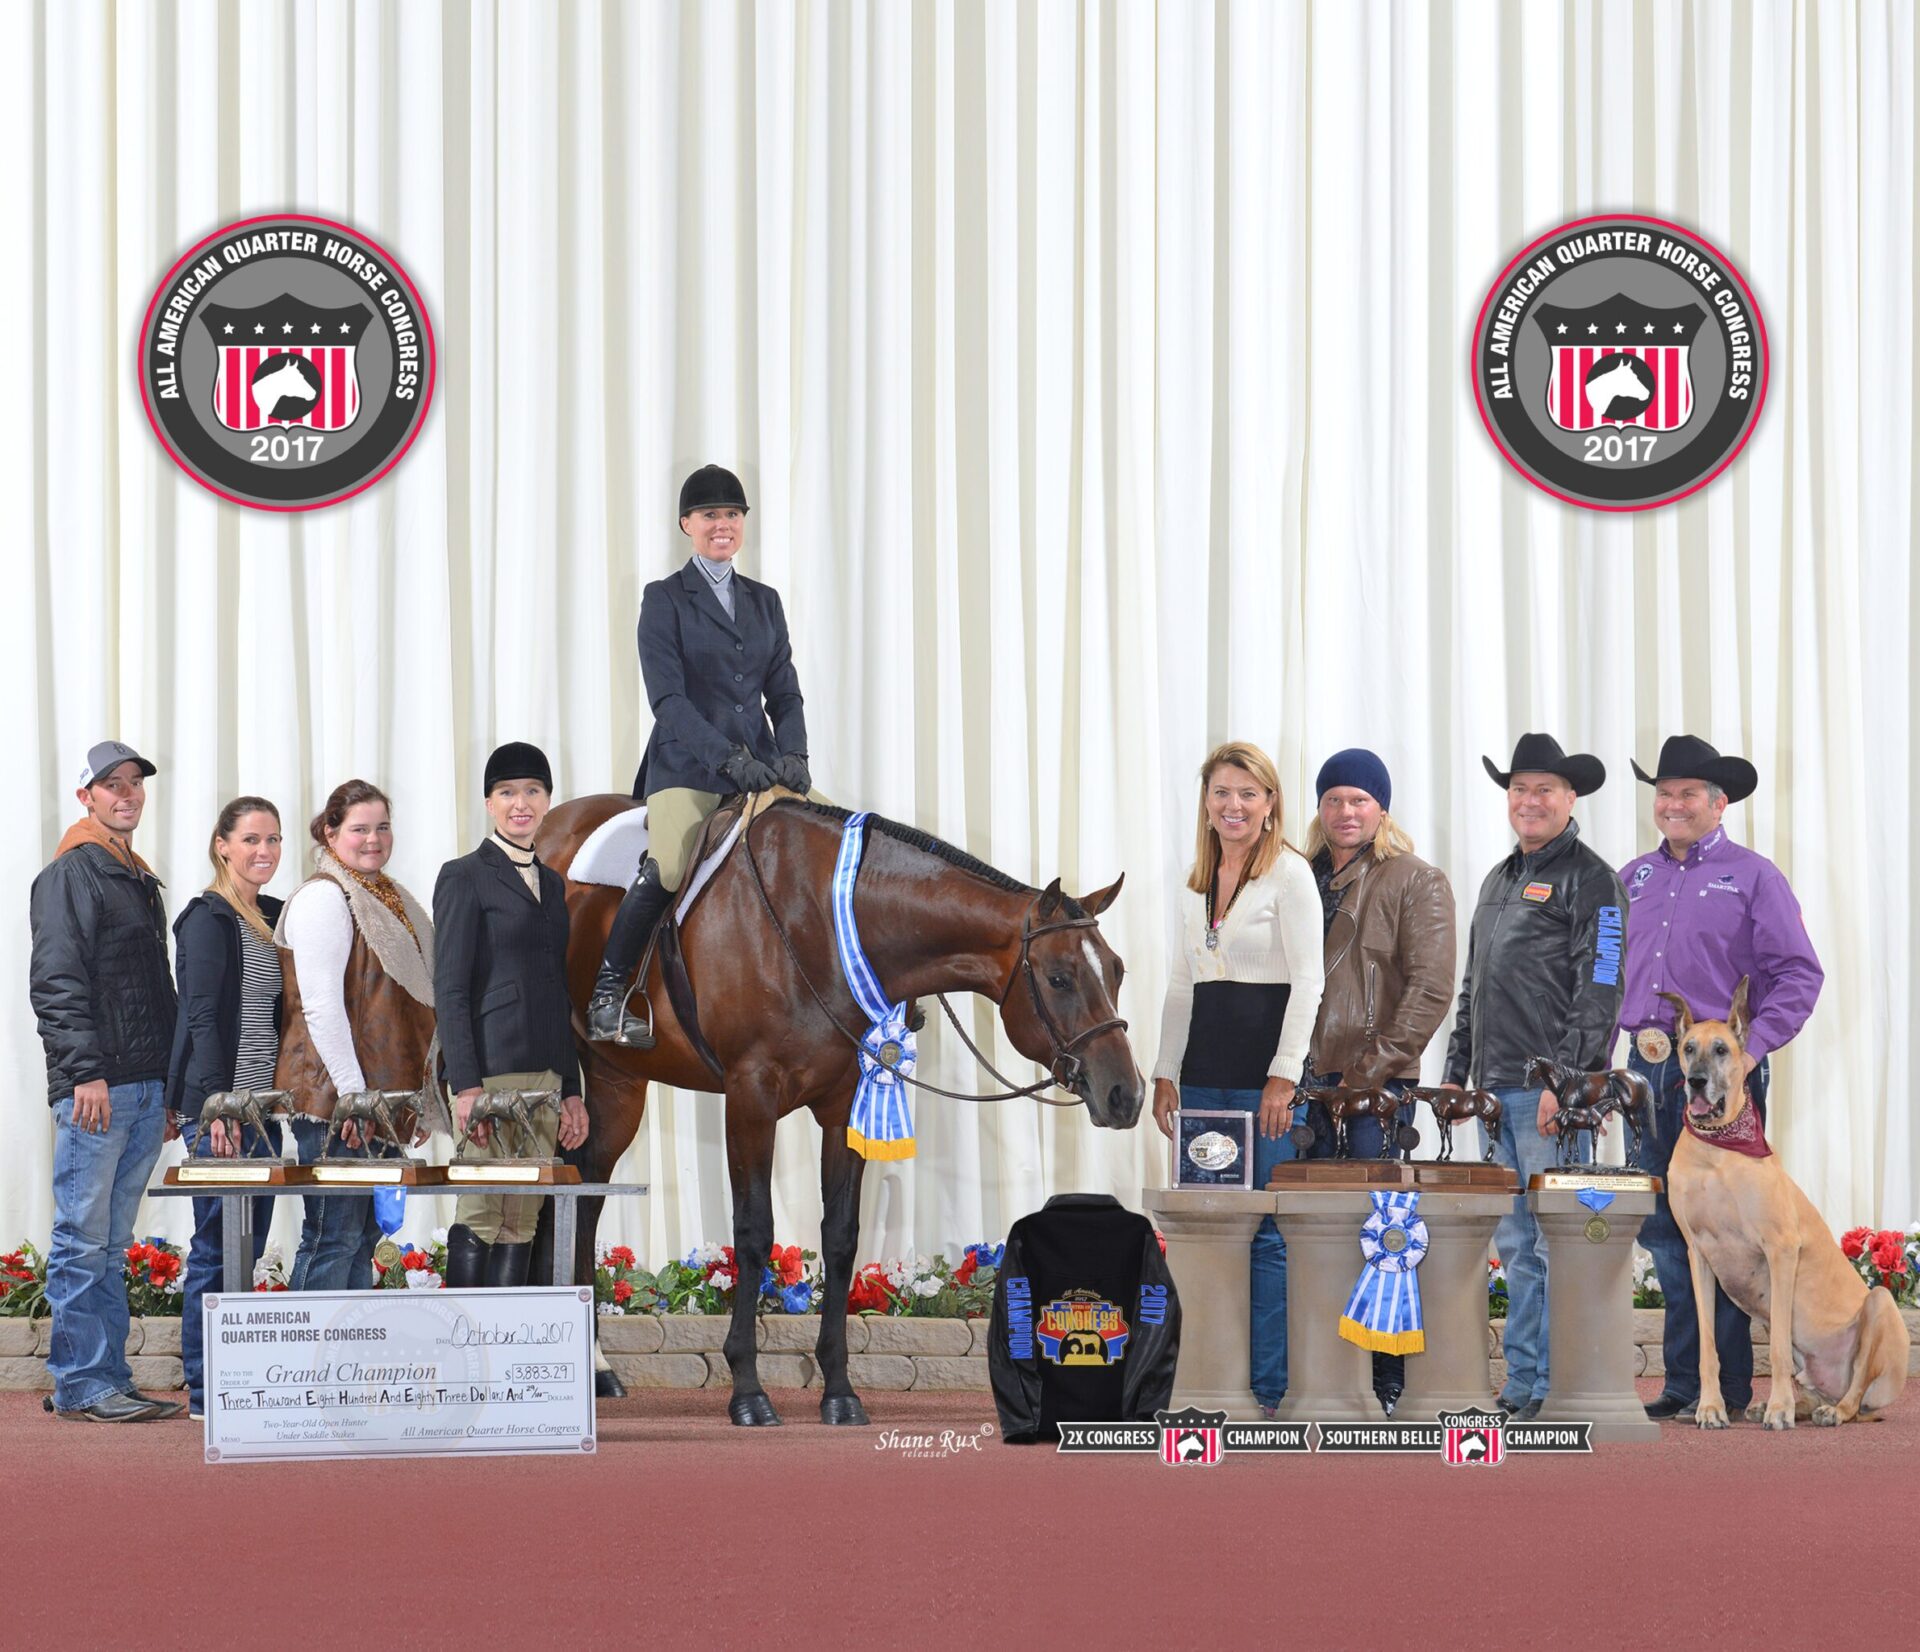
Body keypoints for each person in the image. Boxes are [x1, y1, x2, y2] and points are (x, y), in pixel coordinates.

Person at [1619, 735, 1824, 1422]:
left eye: (1686, 795)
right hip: (1647, 1067)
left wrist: (1755, 1047)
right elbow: (1600, 970)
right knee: (1665, 1227)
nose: (1672, 805)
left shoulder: (1753, 876)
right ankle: (1690, 1379)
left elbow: (1799, 972)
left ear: (1718, 803)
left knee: (1737, 1230)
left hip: (1721, 1071)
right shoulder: (1633, 879)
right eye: (1664, 794)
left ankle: (1730, 1383)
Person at [587, 464, 815, 1045]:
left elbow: (784, 692)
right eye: (711, 514)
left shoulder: (765, 602)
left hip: (762, 768)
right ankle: (609, 994)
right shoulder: (663, 598)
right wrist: (727, 760)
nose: (723, 524)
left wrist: (794, 754)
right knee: (667, 864)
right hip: (688, 767)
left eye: (732, 514)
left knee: (836, 840)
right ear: (687, 524)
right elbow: (669, 701)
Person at [1443, 733, 1627, 1421]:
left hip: (1549, 1096)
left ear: (1570, 797)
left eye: (1544, 788)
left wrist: (1569, 1081)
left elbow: (1602, 984)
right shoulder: (1498, 878)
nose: (1530, 800)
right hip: (1493, 1097)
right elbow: (1474, 988)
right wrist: (1459, 1075)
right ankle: (1524, 1385)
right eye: (1520, 788)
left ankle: (1552, 1386)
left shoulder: (1594, 879)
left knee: (1549, 1246)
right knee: (1516, 1247)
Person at [1151, 740, 1325, 1416]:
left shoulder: (1290, 874)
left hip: (1263, 1084)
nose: (1234, 805)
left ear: (1270, 803)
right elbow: (1179, 984)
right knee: (1208, 1231)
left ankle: (1270, 1389)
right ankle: (1210, 1380)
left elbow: (1309, 980)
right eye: (1222, 792)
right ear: (1206, 801)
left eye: (1248, 794)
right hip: (1202, 1082)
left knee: (1268, 1236)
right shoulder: (1194, 878)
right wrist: (1166, 1072)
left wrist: (1284, 1075)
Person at [28, 740, 182, 1421]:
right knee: (83, 1239)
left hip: (144, 1087)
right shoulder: (71, 874)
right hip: (101, 1088)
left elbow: (157, 990)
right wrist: (83, 1072)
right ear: (86, 797)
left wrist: (171, 1086)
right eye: (111, 785)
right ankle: (85, 1385)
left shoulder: (134, 876)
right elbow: (56, 982)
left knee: (108, 1244)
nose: (127, 794)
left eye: (135, 784)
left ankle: (105, 1380)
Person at [1300, 748, 1455, 1415]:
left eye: (1359, 799)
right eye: (1333, 798)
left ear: (1382, 808)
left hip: (1371, 1090)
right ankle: (1316, 1375)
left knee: (1385, 1238)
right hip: (1300, 1084)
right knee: (1306, 1236)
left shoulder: (1414, 880)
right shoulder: (1294, 878)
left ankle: (1389, 1380)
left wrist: (1372, 1069)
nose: (1345, 811)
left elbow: (1430, 988)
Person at [433, 743, 590, 1286]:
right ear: (488, 802)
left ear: (547, 800)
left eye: (532, 791)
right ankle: (461, 1355)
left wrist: (571, 1088)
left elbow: (557, 993)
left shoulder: (551, 884)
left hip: (545, 1075)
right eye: (507, 792)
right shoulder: (463, 875)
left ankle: (500, 1355)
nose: (520, 803)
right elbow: (449, 988)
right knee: (482, 1211)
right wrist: (466, 1086)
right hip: (492, 1073)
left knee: (523, 1216)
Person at [276, 780, 436, 1292]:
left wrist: (416, 1100)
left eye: (382, 827)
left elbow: (402, 1015)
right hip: (336, 1104)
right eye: (359, 829)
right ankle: (304, 1366)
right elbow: (320, 1006)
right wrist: (354, 1099)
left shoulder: (387, 898)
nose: (373, 839)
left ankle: (341, 1367)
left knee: (363, 1238)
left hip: (378, 1103)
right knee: (331, 1237)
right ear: (330, 833)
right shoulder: (325, 897)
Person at [166, 797, 286, 1419]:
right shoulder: (207, 918)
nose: (263, 851)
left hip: (265, 1110)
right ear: (222, 845)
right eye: (250, 840)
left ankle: (238, 1379)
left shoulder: (275, 914)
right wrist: (218, 1108)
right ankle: (205, 1387)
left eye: (273, 839)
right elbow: (203, 1017)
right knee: (216, 1244)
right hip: (219, 1109)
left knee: (250, 1244)